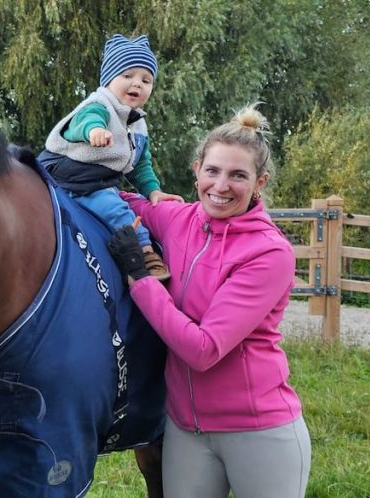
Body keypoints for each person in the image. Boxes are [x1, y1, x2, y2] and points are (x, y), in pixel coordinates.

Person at [106, 104, 311, 497]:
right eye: (213, 171)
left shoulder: (269, 253)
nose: (221, 185)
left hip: (259, 433)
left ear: (260, 182)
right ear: (197, 169)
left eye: (238, 175)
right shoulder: (178, 218)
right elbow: (121, 201)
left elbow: (202, 350)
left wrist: (141, 279)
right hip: (187, 431)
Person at [39, 34, 182, 280]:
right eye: (127, 76)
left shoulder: (137, 124)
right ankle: (145, 254)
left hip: (98, 180)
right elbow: (82, 123)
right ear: (108, 81)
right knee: (118, 212)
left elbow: (140, 166)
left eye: (146, 80)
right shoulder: (100, 105)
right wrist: (94, 131)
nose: (137, 84)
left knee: (122, 201)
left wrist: (153, 191)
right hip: (74, 177)